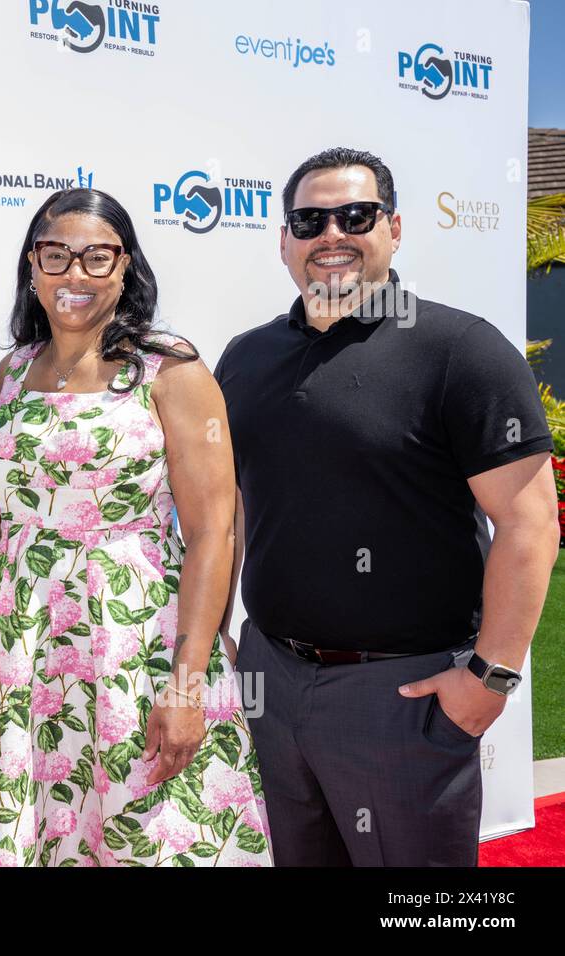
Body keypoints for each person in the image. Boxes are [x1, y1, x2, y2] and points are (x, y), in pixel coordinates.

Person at [216, 147, 559, 866]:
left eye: (356, 215)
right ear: (284, 240)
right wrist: (220, 636)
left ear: (394, 229)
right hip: (271, 681)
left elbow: (530, 523)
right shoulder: (245, 359)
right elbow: (235, 513)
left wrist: (490, 679)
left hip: (403, 696)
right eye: (310, 220)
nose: (331, 234)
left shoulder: (460, 350)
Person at [0, 188, 272, 867]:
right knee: (44, 828)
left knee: (150, 834)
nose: (75, 274)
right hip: (25, 644)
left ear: (125, 266)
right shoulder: (13, 370)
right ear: (33, 267)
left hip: (140, 641)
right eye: (56, 256)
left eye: (96, 257)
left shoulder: (170, 368)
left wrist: (188, 681)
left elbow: (216, 531)